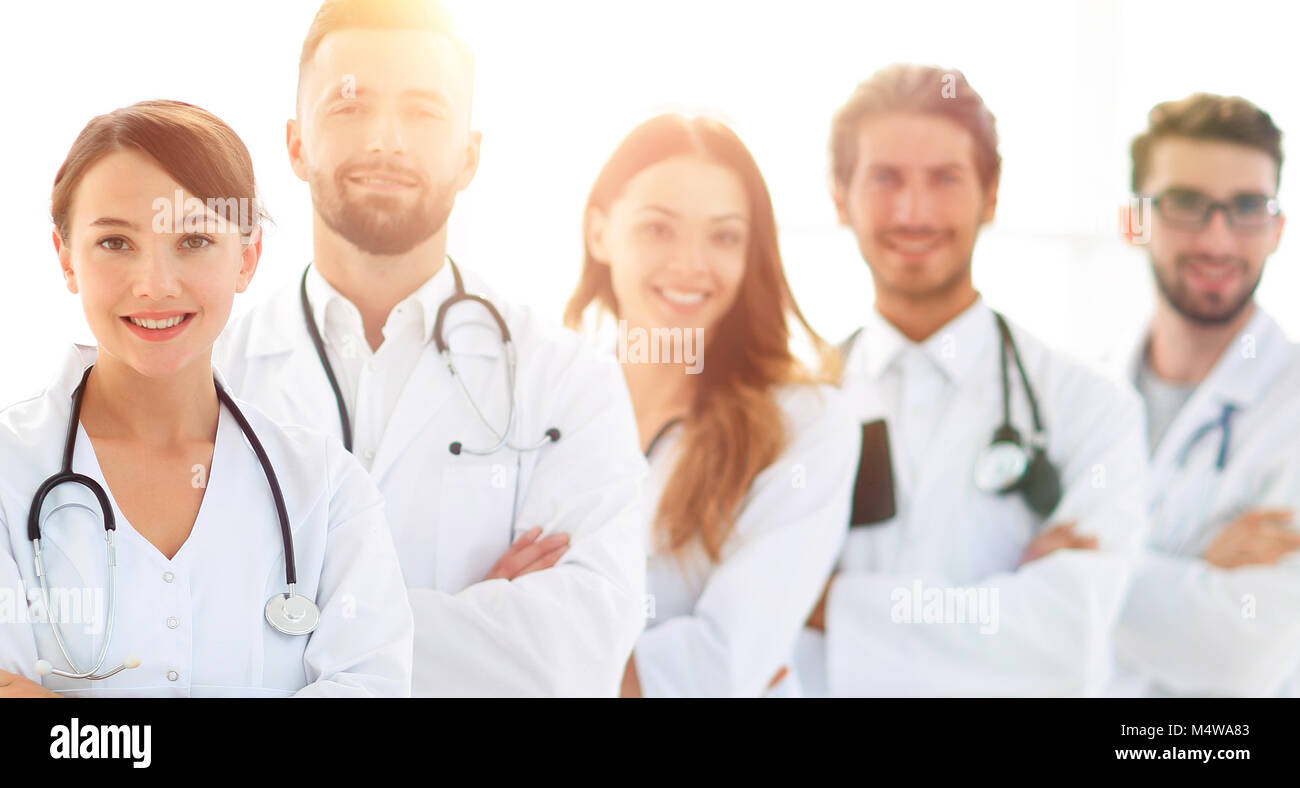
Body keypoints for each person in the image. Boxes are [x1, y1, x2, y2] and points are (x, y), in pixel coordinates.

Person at [212, 0, 646, 696]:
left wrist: (281, 622)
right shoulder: (208, 374)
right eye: (350, 107)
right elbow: (166, 631)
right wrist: (472, 621)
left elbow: (574, 656)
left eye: (423, 112)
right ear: (295, 143)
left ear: (470, 154)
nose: (387, 140)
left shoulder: (568, 381)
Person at [0, 100, 413, 698]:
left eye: (193, 240)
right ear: (66, 259)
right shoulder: (10, 469)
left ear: (246, 258)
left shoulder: (324, 491)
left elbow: (371, 686)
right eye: (115, 242)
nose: (155, 285)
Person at [795, 64, 1148, 696]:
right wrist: (1000, 613)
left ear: (991, 194)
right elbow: (754, 621)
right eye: (885, 178)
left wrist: (827, 606)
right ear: (838, 197)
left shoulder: (1091, 407)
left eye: (944, 178)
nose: (913, 210)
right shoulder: (789, 410)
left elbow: (1066, 635)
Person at [564, 114, 858, 697]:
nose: (692, 264)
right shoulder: (543, 408)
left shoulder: (802, 423)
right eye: (658, 229)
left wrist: (524, 654)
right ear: (600, 232)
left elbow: (721, 668)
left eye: (724, 236)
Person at [1109, 93, 1300, 696]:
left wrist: (1076, 574)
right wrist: (1192, 578)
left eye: (1246, 207)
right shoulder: (1074, 404)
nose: (1217, 242)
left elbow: (1243, 655)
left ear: (1276, 230)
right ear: (1133, 221)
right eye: (1186, 204)